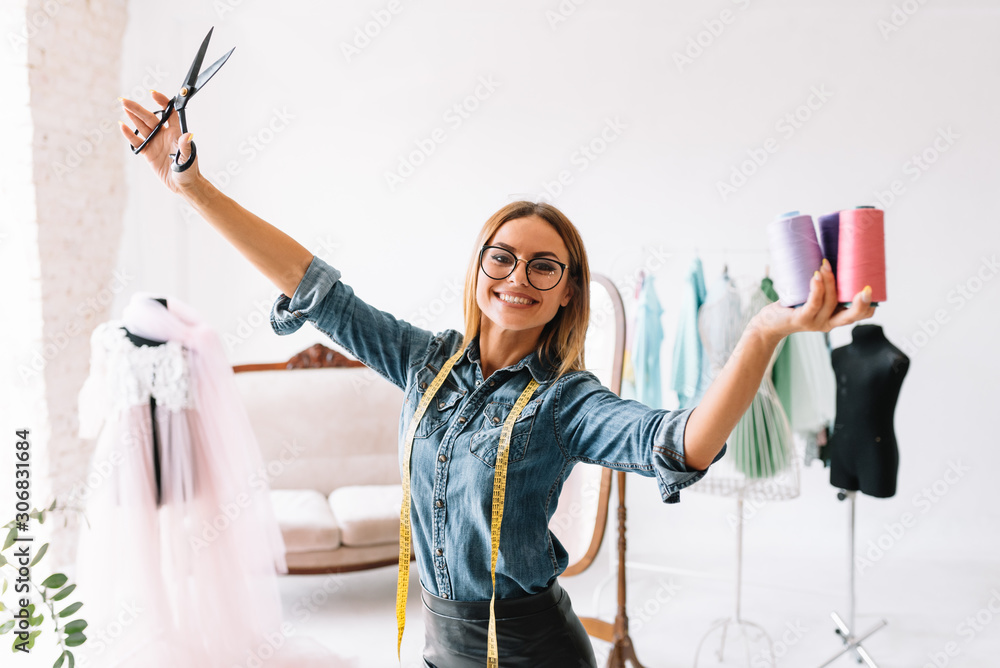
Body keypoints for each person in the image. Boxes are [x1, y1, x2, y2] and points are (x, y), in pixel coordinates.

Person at [118, 92, 877, 667]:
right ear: (479, 268)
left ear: (566, 291)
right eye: (503, 256)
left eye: (545, 265)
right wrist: (195, 189)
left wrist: (762, 332)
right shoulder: (424, 360)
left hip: (534, 647)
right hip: (442, 641)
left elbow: (679, 441)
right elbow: (313, 283)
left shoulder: (565, 401)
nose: (520, 276)